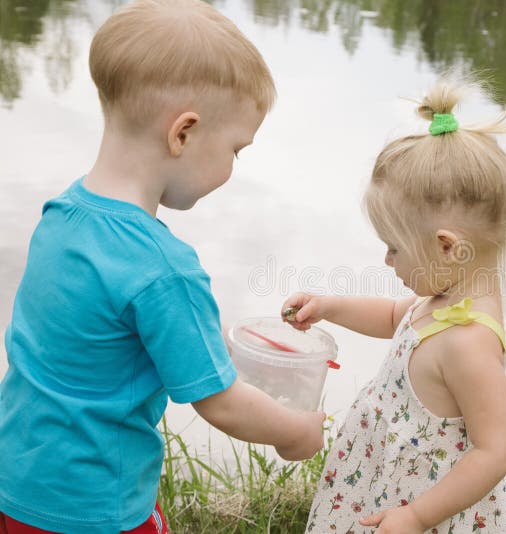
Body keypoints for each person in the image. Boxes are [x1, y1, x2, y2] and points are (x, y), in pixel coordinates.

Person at [0, 1, 324, 532]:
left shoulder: (60, 215)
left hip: (17, 483)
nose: (232, 167)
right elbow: (220, 404)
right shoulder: (164, 268)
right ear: (184, 133)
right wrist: (295, 432)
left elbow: (89, 337)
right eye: (236, 150)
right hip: (94, 506)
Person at [284, 81, 506, 533]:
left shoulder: (469, 343)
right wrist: (330, 306)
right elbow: (397, 319)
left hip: (430, 504)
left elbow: (496, 451)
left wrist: (416, 516)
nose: (387, 260)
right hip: (390, 482)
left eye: (394, 247)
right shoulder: (445, 295)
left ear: (447, 246)